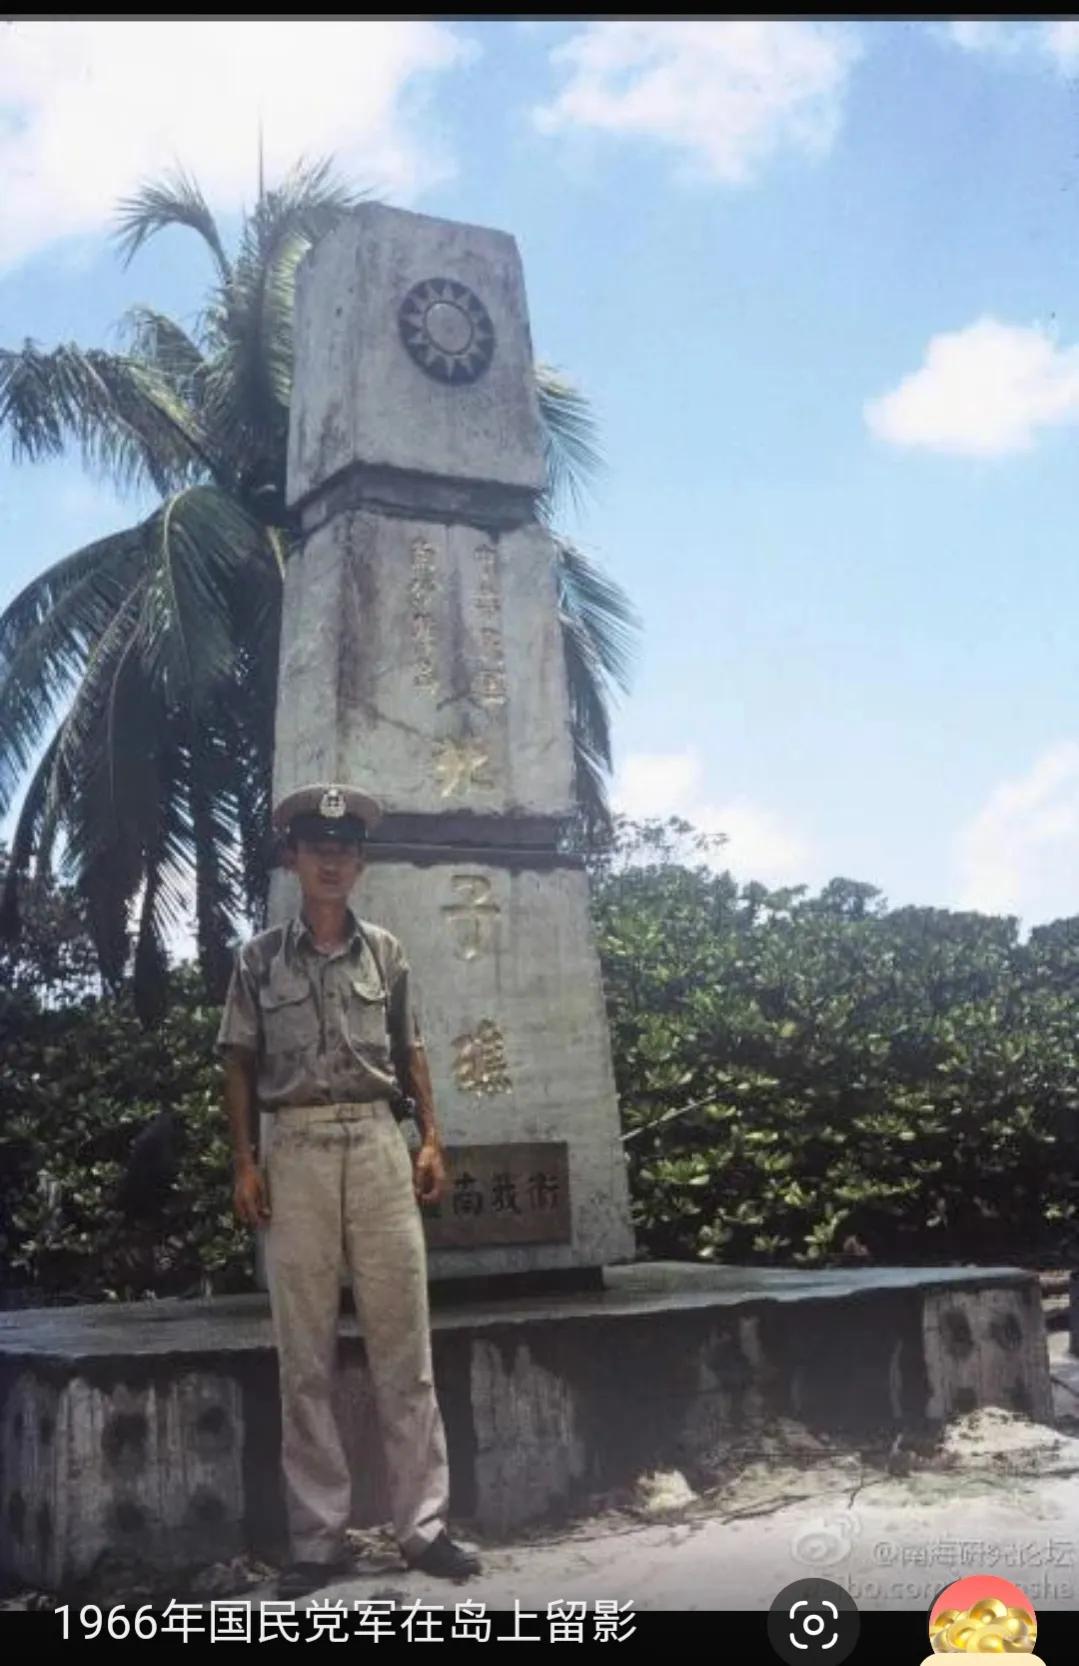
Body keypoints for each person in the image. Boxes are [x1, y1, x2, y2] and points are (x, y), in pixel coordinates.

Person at [216, 781, 482, 1598]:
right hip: (294, 1146)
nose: (331, 862)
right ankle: (316, 1539)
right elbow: (238, 1062)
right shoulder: (258, 959)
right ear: (293, 858)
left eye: (344, 850)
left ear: (359, 863)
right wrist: (245, 1162)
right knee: (304, 1354)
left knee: (404, 1344)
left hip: (374, 1143)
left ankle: (423, 1528)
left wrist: (429, 1138)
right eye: (316, 849)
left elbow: (411, 1051)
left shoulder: (386, 954)